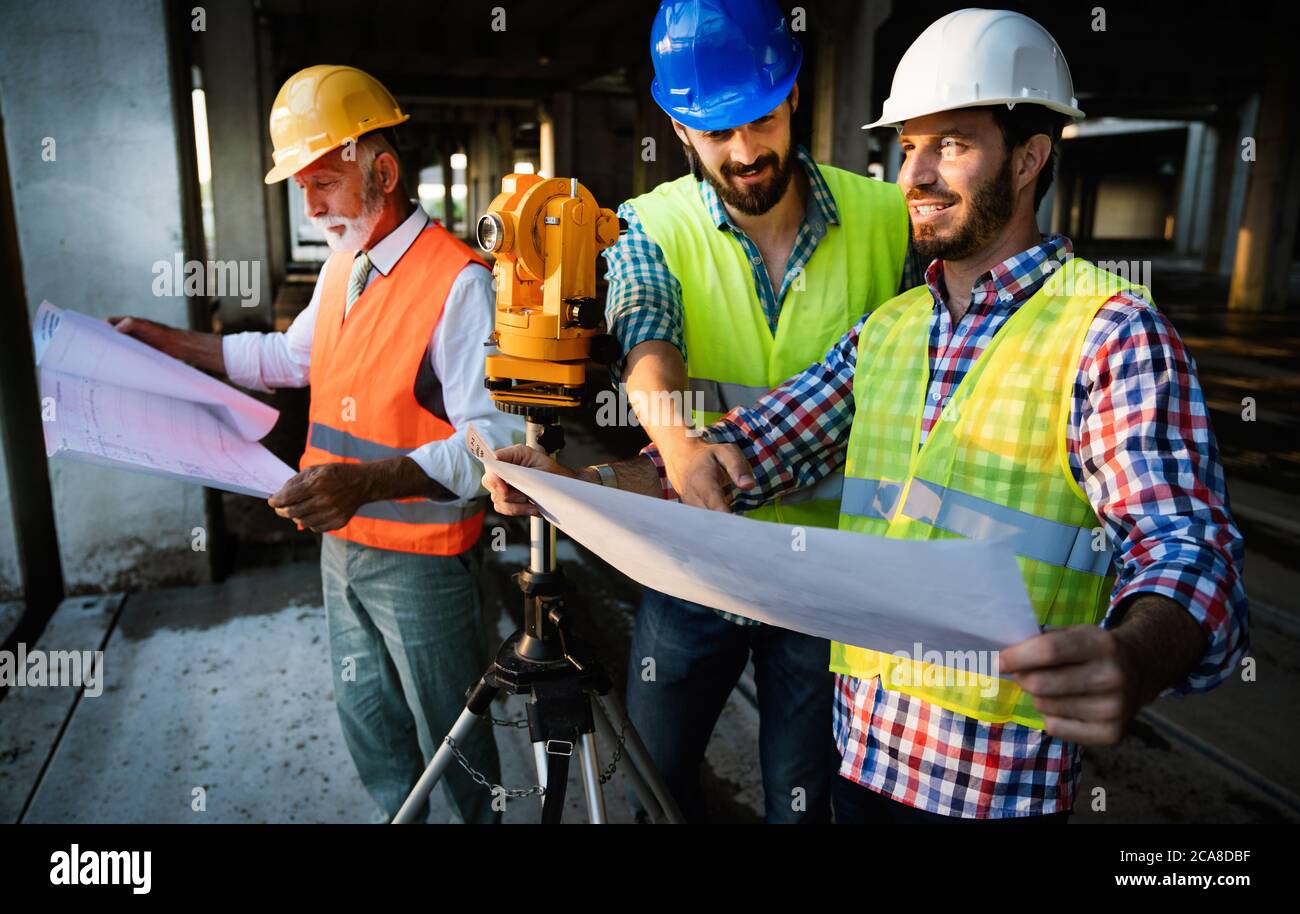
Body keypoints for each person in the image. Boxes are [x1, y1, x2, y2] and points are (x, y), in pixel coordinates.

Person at [483, 9, 1248, 823]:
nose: (915, 175)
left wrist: (1134, 655)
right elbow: (743, 452)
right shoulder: (889, 331)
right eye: (908, 146)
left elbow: (1187, 549)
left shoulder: (1110, 332)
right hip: (865, 751)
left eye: (951, 145)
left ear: (1030, 158)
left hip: (986, 783)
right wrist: (578, 486)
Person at [112, 65, 520, 824]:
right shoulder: (342, 268)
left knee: (454, 743)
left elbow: (489, 444)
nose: (309, 205)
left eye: (321, 182)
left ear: (383, 171)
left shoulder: (458, 283)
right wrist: (160, 341)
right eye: (299, 187)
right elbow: (284, 360)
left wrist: (364, 483)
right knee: (370, 725)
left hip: (425, 566)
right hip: (341, 552)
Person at [600, 0, 916, 823]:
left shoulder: (890, 221)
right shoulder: (651, 226)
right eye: (716, 134)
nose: (744, 152)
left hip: (828, 577)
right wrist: (675, 443)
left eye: (761, 119)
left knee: (805, 804)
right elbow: (644, 325)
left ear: (795, 93)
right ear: (677, 127)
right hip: (696, 560)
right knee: (653, 784)